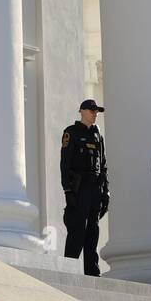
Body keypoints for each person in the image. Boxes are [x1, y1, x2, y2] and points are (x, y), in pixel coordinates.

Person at [60, 99, 109, 276]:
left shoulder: (98, 136)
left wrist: (106, 192)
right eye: (92, 111)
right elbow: (65, 165)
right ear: (82, 111)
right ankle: (69, 268)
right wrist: (67, 190)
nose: (95, 114)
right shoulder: (71, 133)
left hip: (95, 189)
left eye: (97, 111)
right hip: (79, 189)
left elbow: (103, 166)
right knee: (77, 229)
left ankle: (92, 270)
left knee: (93, 230)